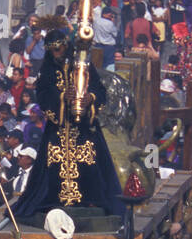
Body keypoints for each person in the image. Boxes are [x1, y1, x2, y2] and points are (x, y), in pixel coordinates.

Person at [13, 25, 125, 220]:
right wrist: (63, 97)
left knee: (89, 161)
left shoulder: (83, 66)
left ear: (66, 47)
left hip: (84, 128)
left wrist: (90, 98)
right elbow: (43, 95)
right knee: (52, 165)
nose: (56, 53)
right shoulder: (47, 70)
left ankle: (91, 200)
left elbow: (100, 91)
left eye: (59, 48)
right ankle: (54, 201)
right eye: (52, 50)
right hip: (58, 128)